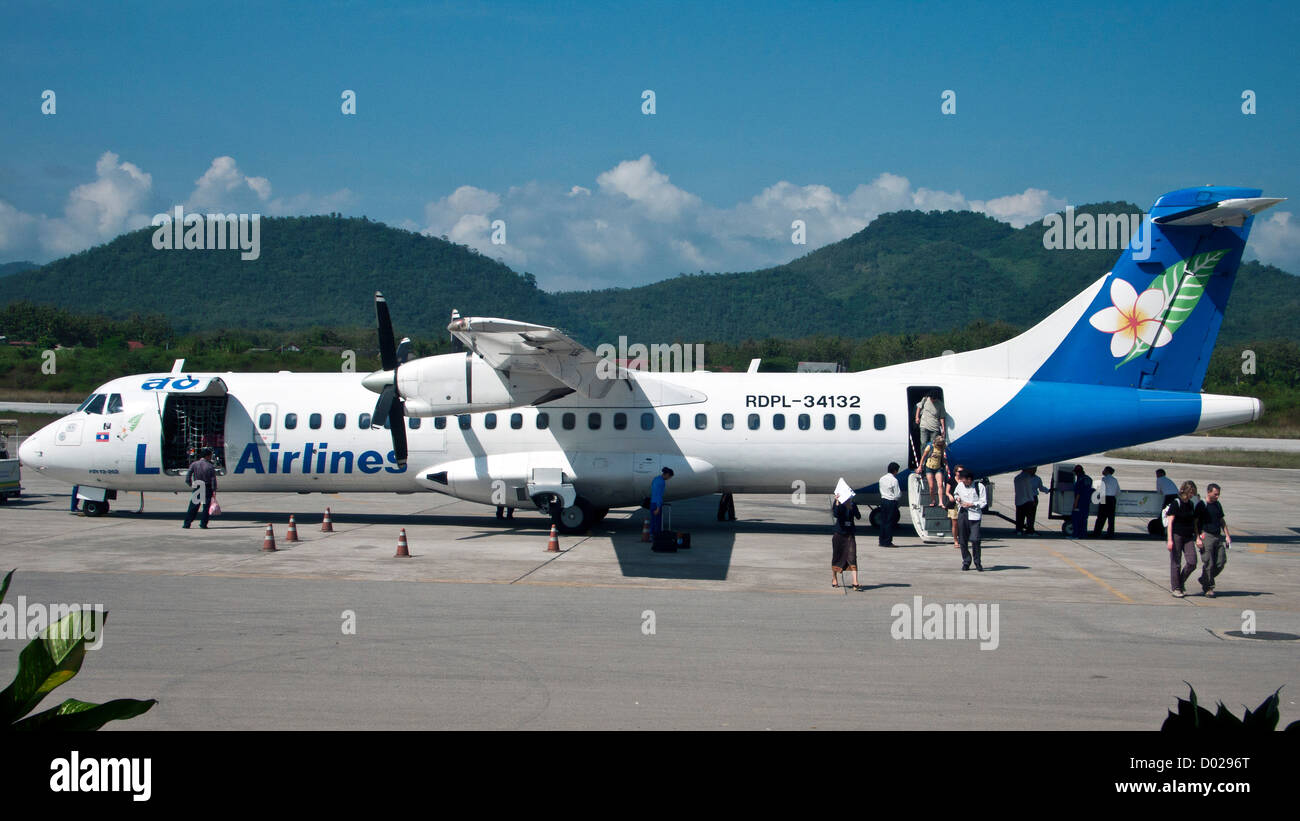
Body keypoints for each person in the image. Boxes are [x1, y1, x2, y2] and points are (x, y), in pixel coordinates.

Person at [1164, 480, 1206, 598]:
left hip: (1188, 536)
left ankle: (1180, 582)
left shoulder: (1191, 504)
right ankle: (1176, 588)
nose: (1192, 495)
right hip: (1176, 535)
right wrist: (1170, 540)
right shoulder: (1176, 503)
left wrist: (1197, 537)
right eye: (1191, 492)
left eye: (1194, 493)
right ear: (1185, 491)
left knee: (1192, 562)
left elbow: (1194, 523)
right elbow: (1170, 522)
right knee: (1176, 563)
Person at [1196, 483, 1231, 597]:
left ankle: (1204, 578)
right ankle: (1208, 588)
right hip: (1207, 536)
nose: (1217, 497)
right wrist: (1198, 537)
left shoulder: (1217, 504)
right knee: (1208, 563)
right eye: (1215, 494)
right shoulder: (1202, 505)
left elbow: (1221, 520)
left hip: (1217, 536)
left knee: (1221, 562)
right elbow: (1195, 522)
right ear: (1209, 492)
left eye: (1218, 495)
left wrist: (1227, 535)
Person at [953, 470, 986, 571]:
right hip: (963, 513)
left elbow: (983, 502)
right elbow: (955, 494)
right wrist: (957, 499)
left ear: (969, 479)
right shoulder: (960, 486)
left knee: (975, 539)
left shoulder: (979, 487)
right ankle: (966, 561)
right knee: (962, 540)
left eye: (964, 481)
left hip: (974, 515)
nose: (963, 482)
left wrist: (972, 504)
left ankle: (977, 562)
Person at [831, 479, 861, 589]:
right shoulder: (838, 503)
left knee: (852, 557)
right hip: (839, 534)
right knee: (837, 557)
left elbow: (858, 516)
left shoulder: (852, 504)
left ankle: (855, 582)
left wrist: (852, 508)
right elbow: (836, 514)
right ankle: (834, 578)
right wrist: (838, 502)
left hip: (849, 534)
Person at [183, 447, 217, 529]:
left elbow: (188, 476)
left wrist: (191, 484)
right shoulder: (210, 466)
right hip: (207, 487)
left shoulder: (194, 464)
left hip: (197, 485)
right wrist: (214, 489)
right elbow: (213, 479)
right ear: (207, 456)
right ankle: (203, 524)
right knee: (206, 507)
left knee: (193, 506)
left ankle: (187, 523)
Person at [1012, 467, 1047, 535]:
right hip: (1029, 498)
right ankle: (1028, 530)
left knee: (1021, 515)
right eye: (1033, 469)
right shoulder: (1026, 478)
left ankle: (1019, 530)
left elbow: (1041, 488)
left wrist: (1047, 490)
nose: (1035, 470)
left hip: (1022, 498)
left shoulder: (1018, 478)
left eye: (1035, 469)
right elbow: (1028, 491)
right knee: (1029, 516)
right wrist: (1032, 500)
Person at [918, 435, 949, 507]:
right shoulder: (930, 447)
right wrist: (920, 466)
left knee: (940, 484)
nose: (939, 445)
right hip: (929, 467)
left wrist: (946, 464)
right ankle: (933, 500)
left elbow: (943, 458)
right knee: (931, 486)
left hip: (938, 468)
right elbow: (923, 457)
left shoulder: (942, 448)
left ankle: (941, 502)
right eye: (939, 444)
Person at [878, 462, 901, 547]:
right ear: (895, 471)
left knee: (883, 521)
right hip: (891, 501)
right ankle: (888, 541)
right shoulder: (894, 480)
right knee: (889, 522)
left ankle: (881, 540)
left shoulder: (882, 478)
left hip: (883, 500)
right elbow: (897, 494)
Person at [1092, 466, 1119, 539]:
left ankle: (1097, 533)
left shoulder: (1104, 479)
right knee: (1111, 518)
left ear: (1107, 471)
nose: (1103, 471)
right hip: (1112, 499)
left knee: (1101, 517)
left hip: (1105, 498)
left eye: (1104, 470)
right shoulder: (1115, 480)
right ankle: (1110, 534)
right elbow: (1118, 491)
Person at [1070, 465, 1092, 539]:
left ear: (1077, 472)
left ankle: (1075, 535)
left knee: (1076, 519)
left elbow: (1078, 494)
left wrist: (1075, 505)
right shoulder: (1089, 479)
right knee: (1084, 520)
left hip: (1079, 503)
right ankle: (1083, 535)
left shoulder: (1080, 480)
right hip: (1087, 502)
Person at [650, 467, 673, 537]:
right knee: (657, 522)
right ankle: (657, 537)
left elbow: (654, 491)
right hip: (657, 504)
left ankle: (651, 535)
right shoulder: (662, 482)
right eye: (669, 477)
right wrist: (658, 507)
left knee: (653, 521)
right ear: (667, 474)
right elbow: (659, 495)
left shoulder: (655, 479)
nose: (669, 478)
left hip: (652, 502)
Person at [947, 464, 965, 548]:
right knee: (955, 523)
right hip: (953, 504)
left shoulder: (964, 481)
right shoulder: (951, 480)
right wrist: (950, 496)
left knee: (963, 523)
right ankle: (956, 540)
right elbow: (947, 491)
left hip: (962, 504)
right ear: (955, 472)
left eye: (962, 471)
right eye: (959, 471)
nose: (960, 473)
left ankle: (963, 539)